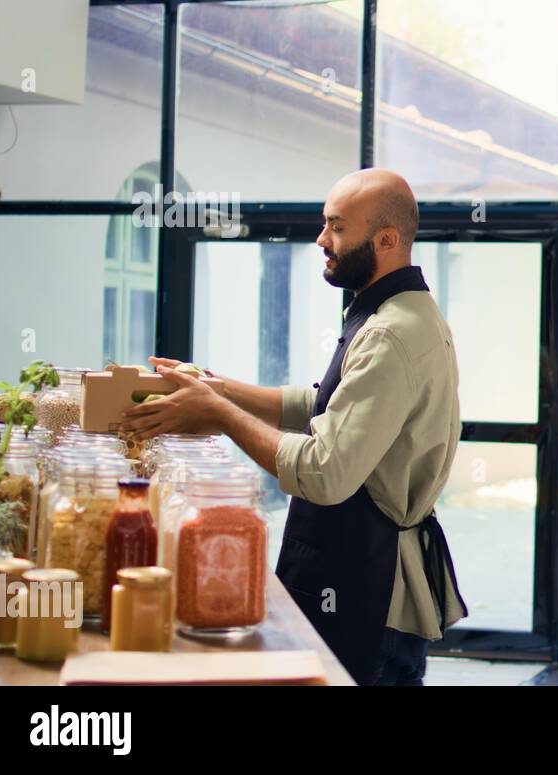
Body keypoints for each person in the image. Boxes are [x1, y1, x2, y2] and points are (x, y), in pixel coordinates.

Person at [122, 168, 467, 685]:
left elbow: (325, 472)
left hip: (370, 598)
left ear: (388, 239)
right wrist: (217, 388)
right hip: (364, 584)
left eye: (337, 227)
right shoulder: (399, 312)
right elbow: (328, 406)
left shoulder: (391, 334)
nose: (322, 240)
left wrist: (217, 415)